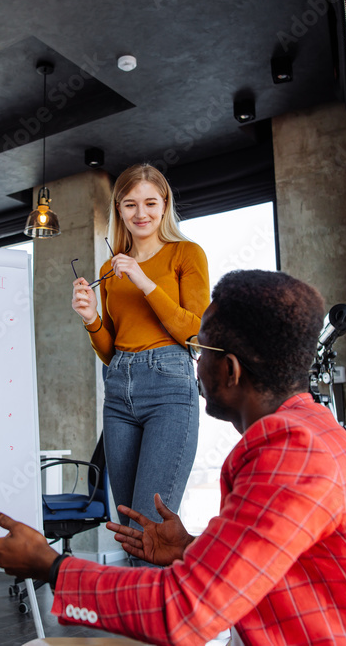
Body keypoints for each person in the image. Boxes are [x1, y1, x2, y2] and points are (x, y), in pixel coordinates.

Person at [0, 270, 346, 645]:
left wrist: (52, 567)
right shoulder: (314, 431)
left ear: (230, 370)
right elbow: (280, 571)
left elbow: (183, 612)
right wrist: (191, 549)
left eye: (202, 350)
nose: (194, 364)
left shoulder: (292, 449)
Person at [71, 163, 209, 547]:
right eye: (130, 205)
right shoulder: (109, 269)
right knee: (129, 531)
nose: (141, 213)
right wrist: (91, 318)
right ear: (119, 210)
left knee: (152, 531)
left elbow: (195, 333)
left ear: (164, 205)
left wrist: (143, 280)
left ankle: (166, 606)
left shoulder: (186, 254)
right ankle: (145, 606)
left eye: (150, 203)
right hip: (118, 390)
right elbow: (110, 351)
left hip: (169, 386)